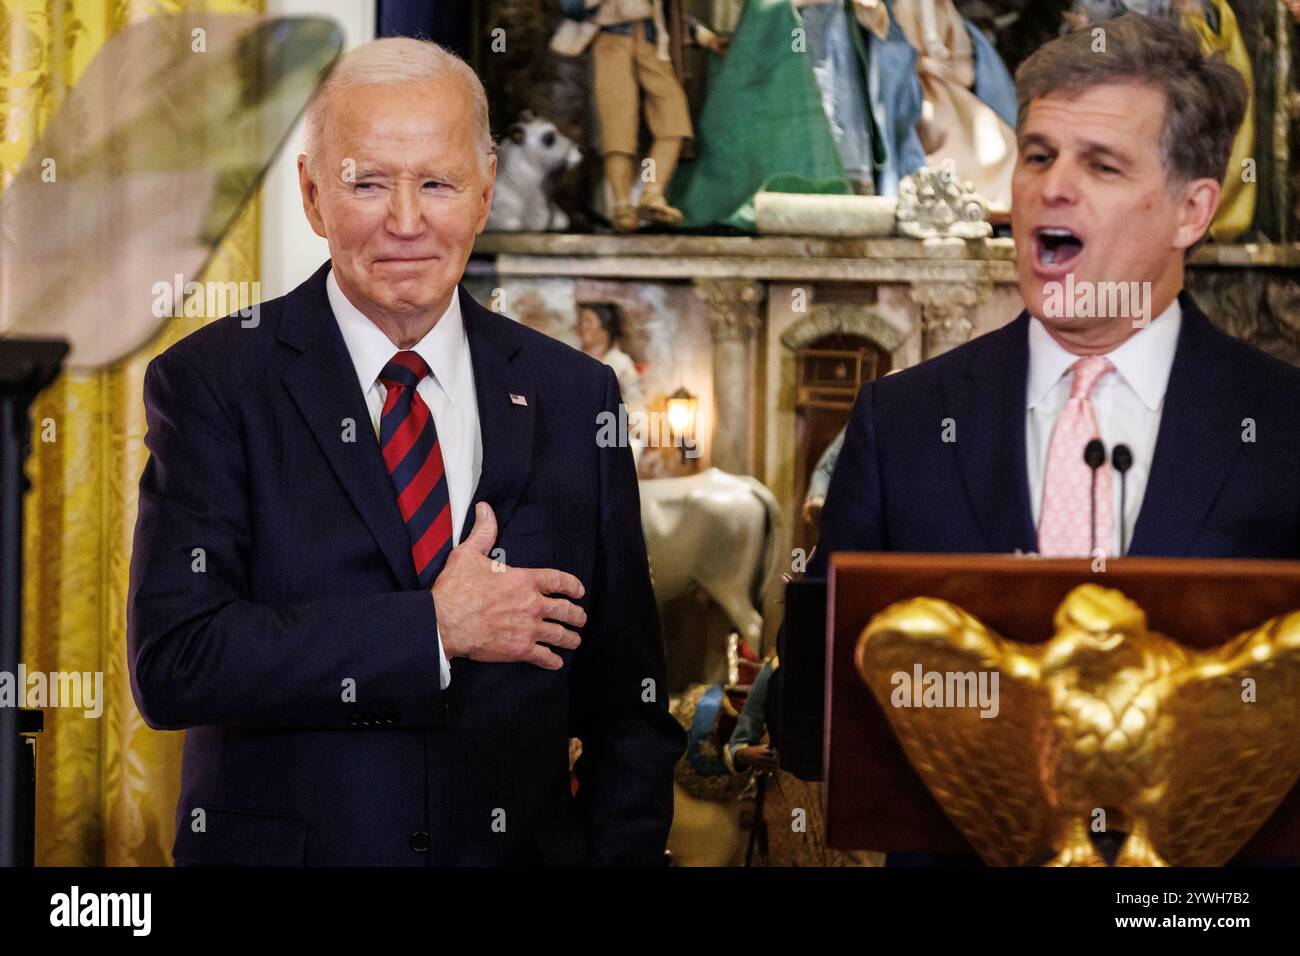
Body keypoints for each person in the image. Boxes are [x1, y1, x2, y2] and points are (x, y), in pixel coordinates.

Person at [126, 37, 684, 866]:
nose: (406, 222)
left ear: (488, 190)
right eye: (368, 182)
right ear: (314, 194)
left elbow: (628, 709)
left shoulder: (577, 399)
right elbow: (177, 663)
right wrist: (432, 627)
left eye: (437, 182)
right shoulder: (213, 383)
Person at [792, 14, 1300, 863]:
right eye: (1037, 156)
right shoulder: (901, 425)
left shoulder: (1282, 429)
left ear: (1192, 209)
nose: (1052, 188)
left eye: (1100, 164)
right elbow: (815, 723)